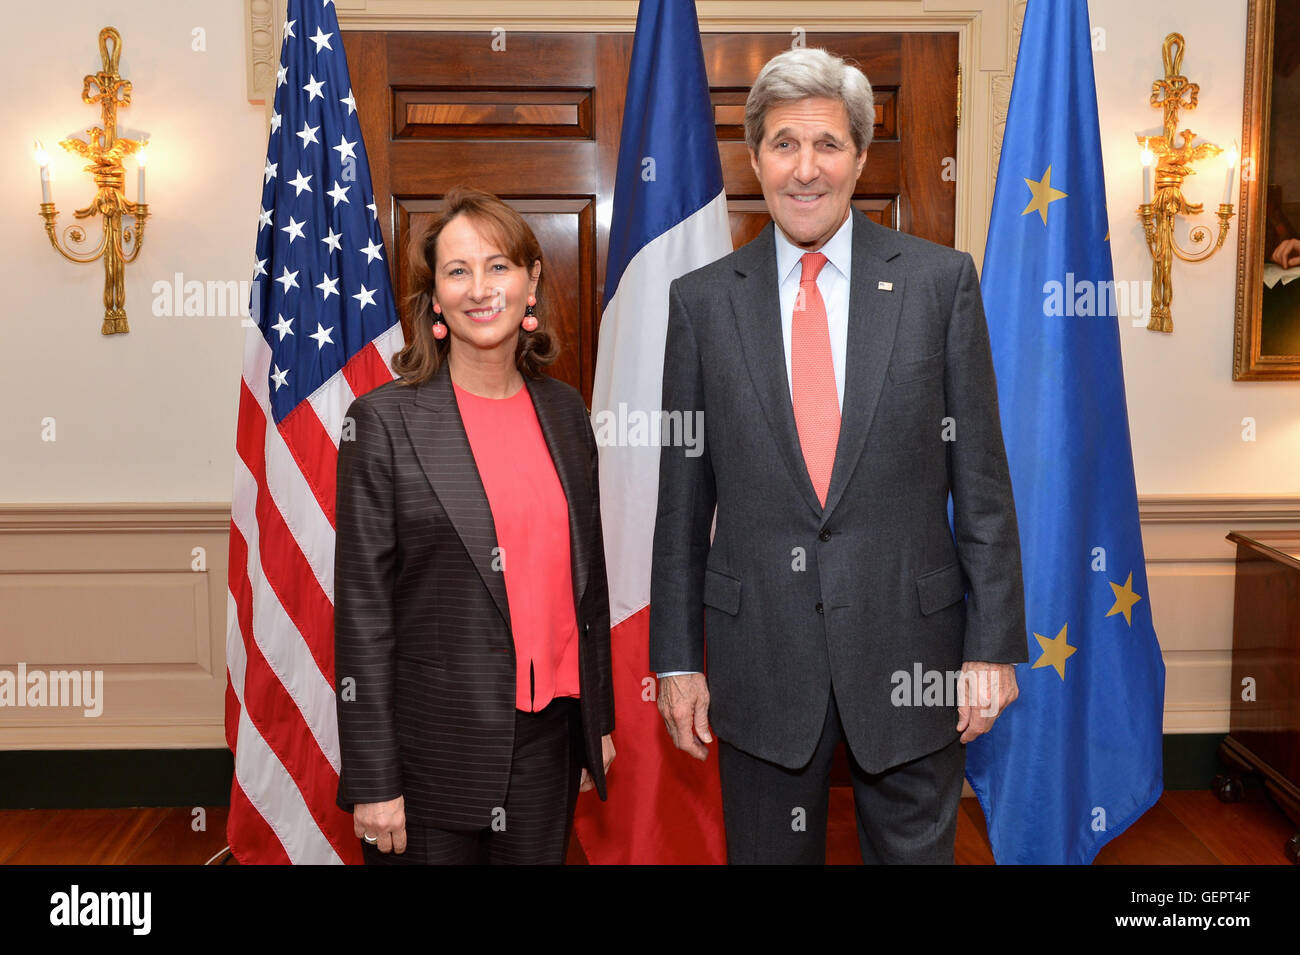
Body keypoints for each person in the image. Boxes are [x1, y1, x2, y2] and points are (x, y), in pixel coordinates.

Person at [650, 48, 1028, 864]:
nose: (806, 169)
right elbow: (681, 505)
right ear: (755, 160)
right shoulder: (704, 303)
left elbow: (985, 485)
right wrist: (676, 661)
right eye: (784, 144)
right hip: (760, 664)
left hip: (914, 658)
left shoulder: (939, 283)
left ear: (860, 155)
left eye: (827, 144)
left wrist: (991, 646)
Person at [333, 185, 615, 864]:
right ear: (435, 297)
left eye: (499, 266)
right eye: (458, 271)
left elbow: (587, 583)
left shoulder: (565, 412)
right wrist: (375, 778)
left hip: (548, 746)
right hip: (429, 757)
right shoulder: (383, 423)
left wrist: (593, 725)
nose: (480, 288)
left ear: (531, 283)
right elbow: (362, 615)